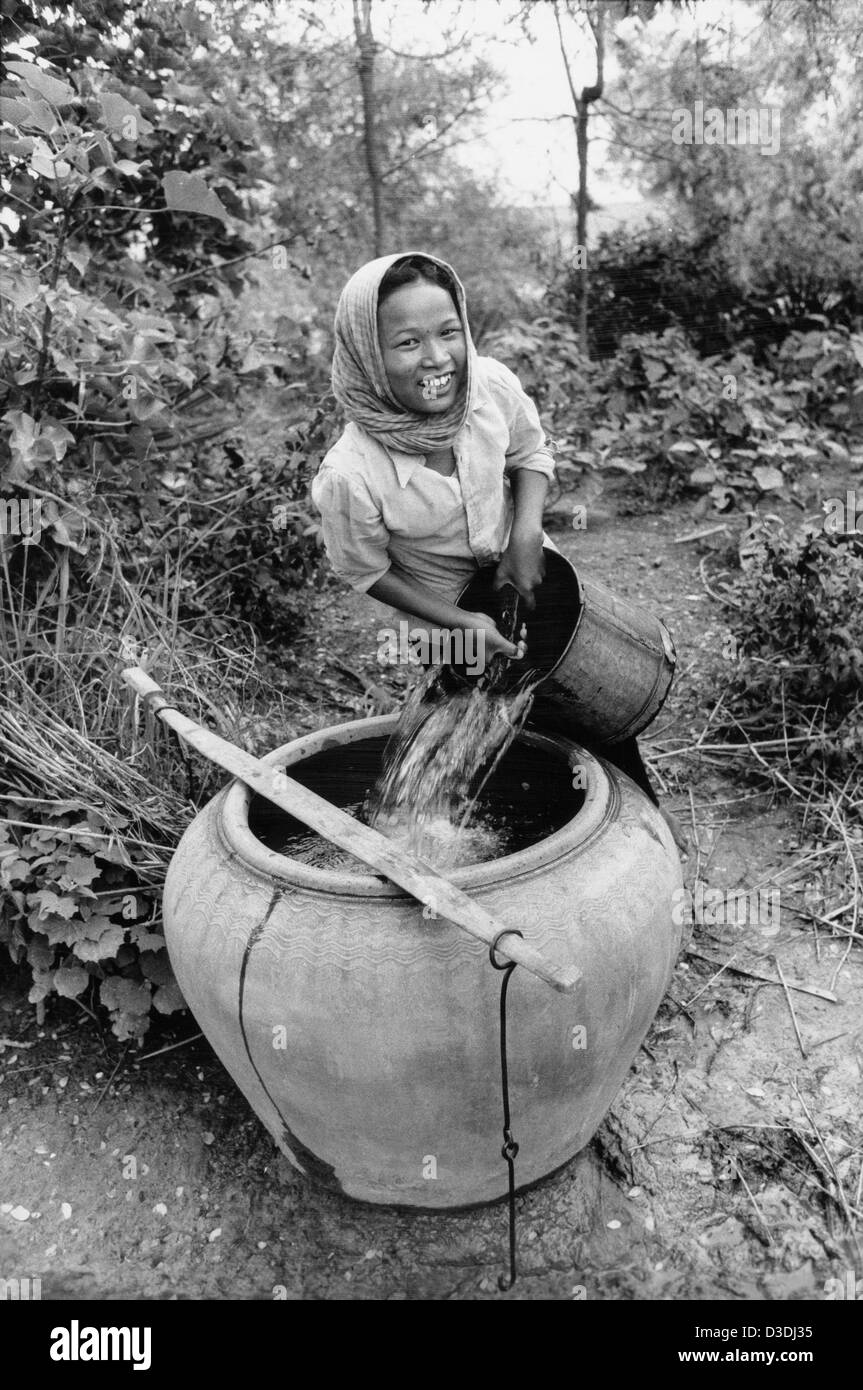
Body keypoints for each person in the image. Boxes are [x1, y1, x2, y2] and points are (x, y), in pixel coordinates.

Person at [311, 250, 686, 846]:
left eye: (448, 333)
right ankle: (511, 853)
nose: (437, 358)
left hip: (531, 576)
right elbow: (366, 571)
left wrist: (525, 535)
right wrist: (460, 621)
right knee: (486, 731)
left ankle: (649, 844)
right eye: (406, 343)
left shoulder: (488, 388)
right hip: (448, 612)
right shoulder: (350, 476)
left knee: (596, 710)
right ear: (368, 355)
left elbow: (530, 455)